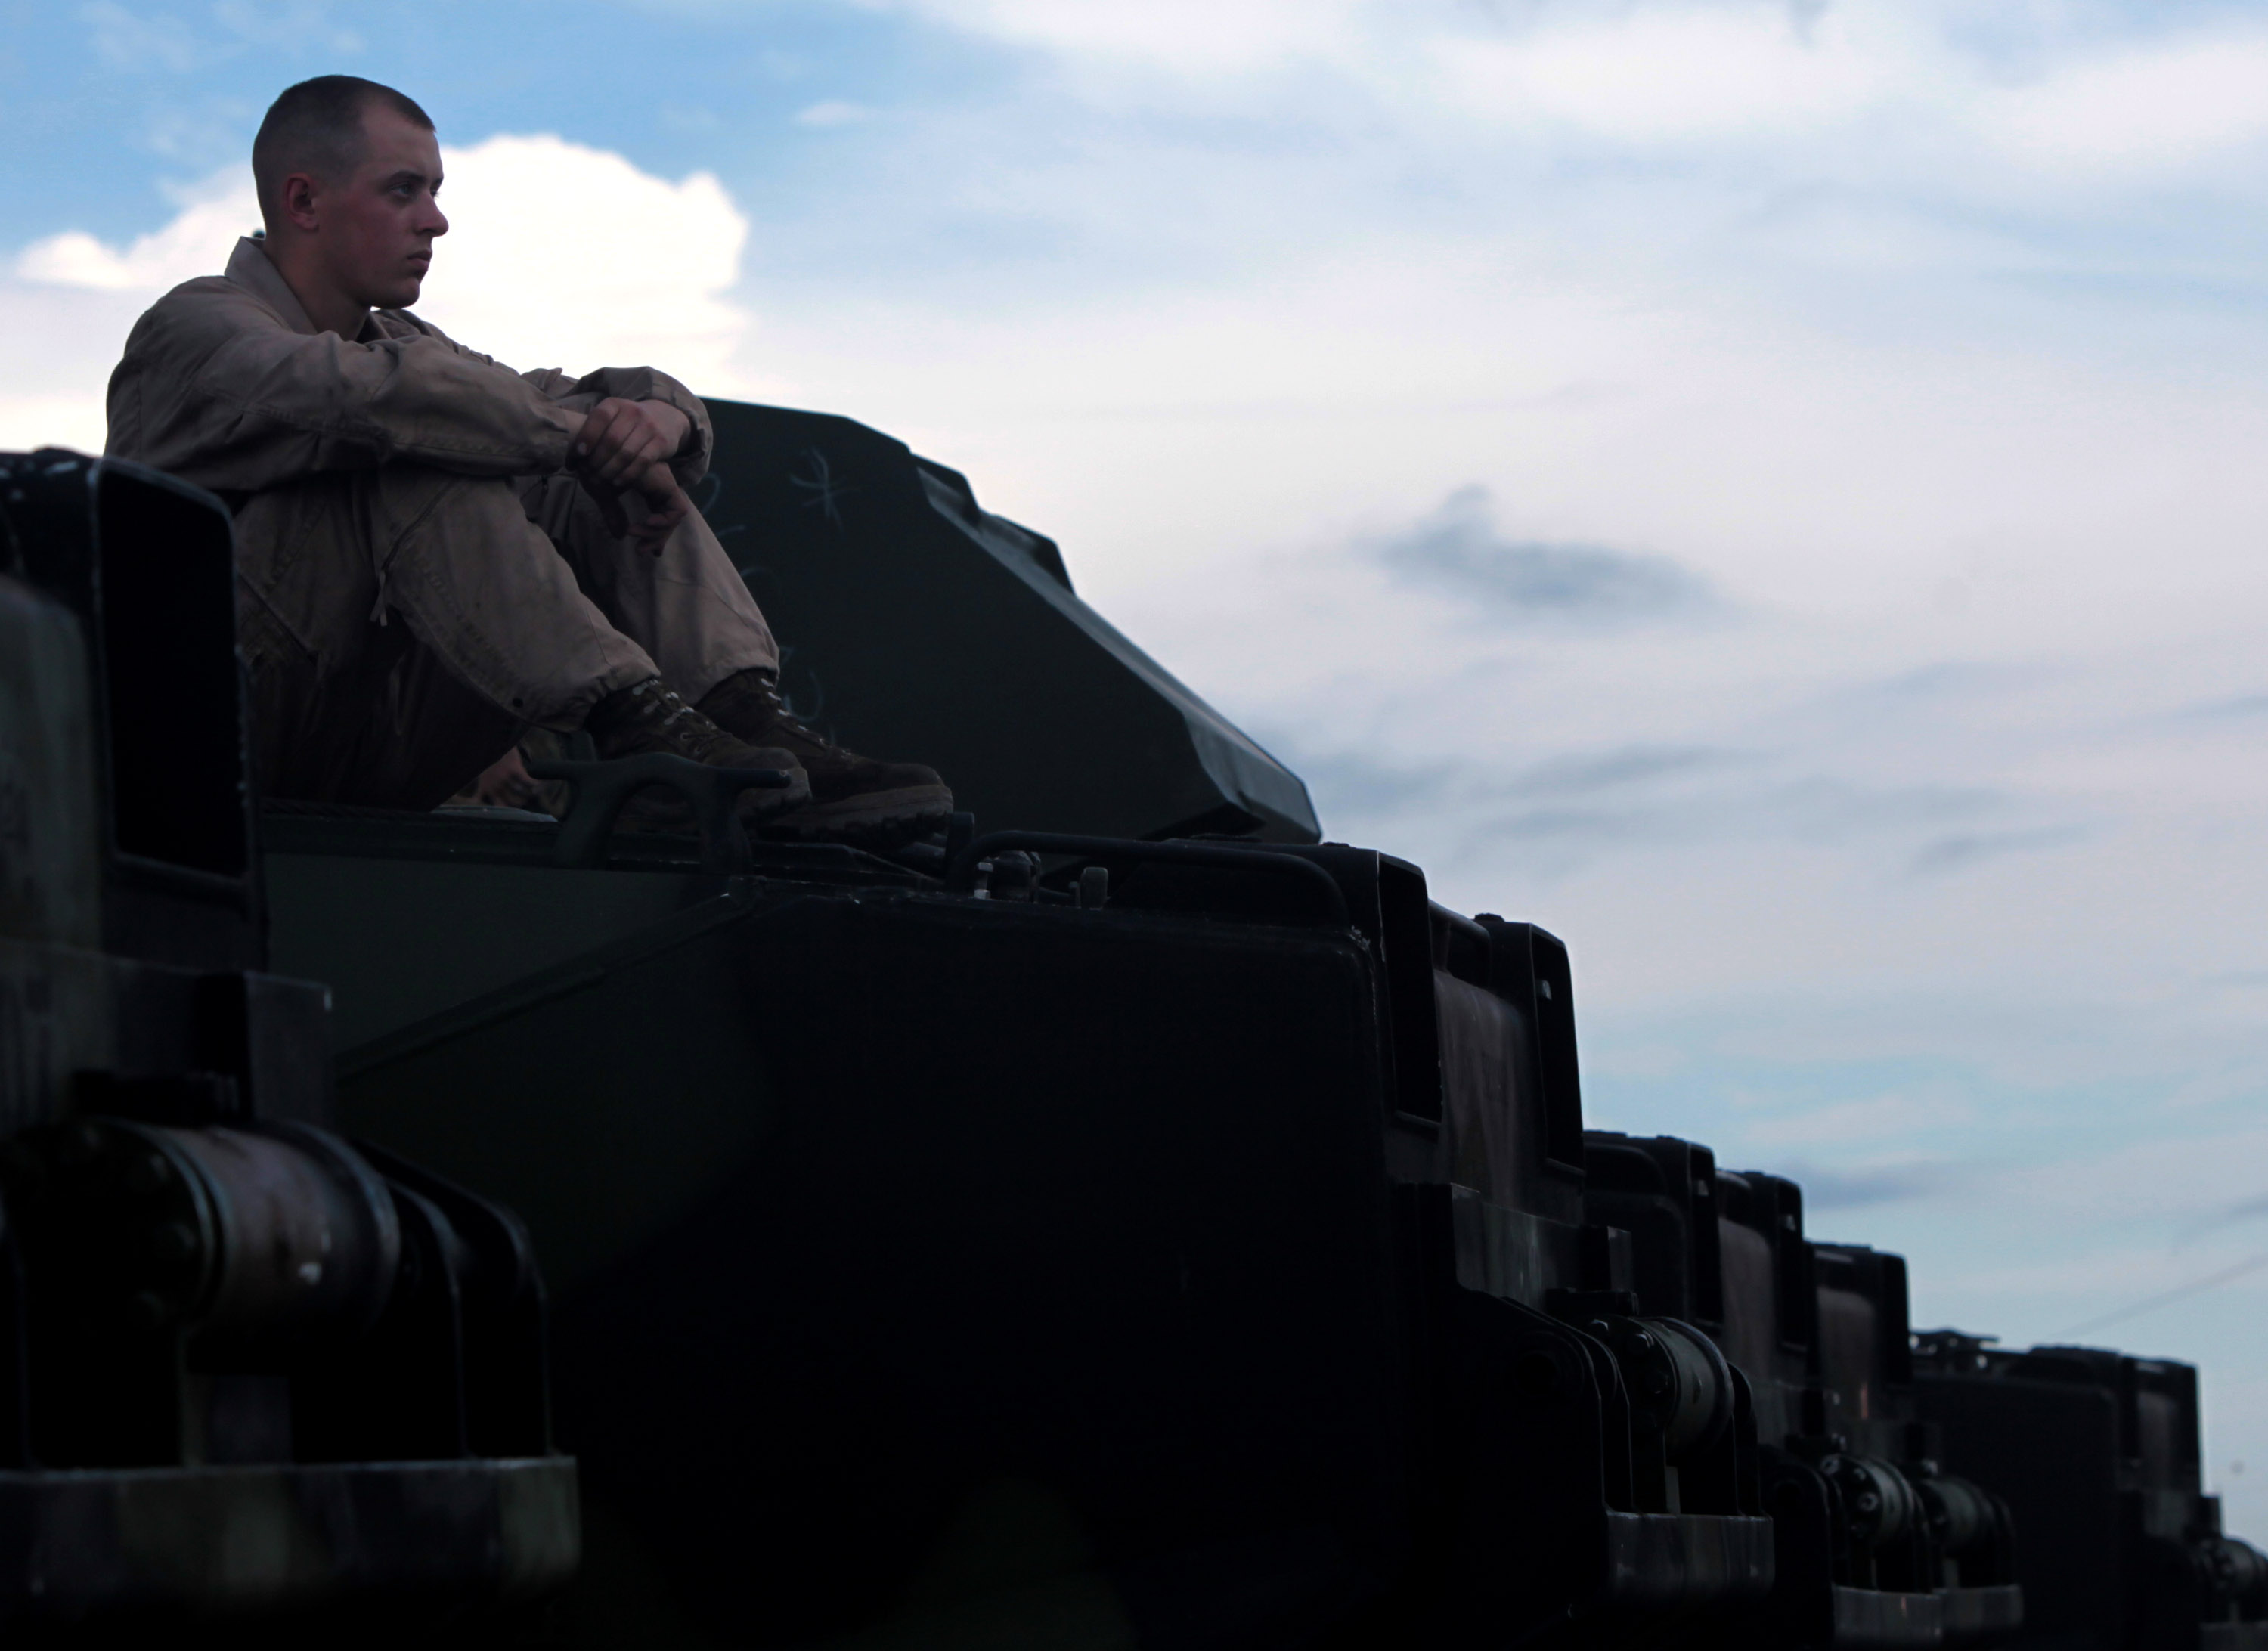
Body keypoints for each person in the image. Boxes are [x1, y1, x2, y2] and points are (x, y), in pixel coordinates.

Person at [104, 75, 950, 847]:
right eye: (404, 191)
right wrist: (579, 434)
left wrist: (654, 420)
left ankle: (737, 714)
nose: (435, 220)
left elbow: (542, 397)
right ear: (304, 201)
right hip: (205, 747)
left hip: (369, 743)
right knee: (426, 444)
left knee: (558, 467)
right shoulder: (196, 332)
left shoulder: (406, 345)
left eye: (435, 193)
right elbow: (368, 401)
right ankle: (633, 721)